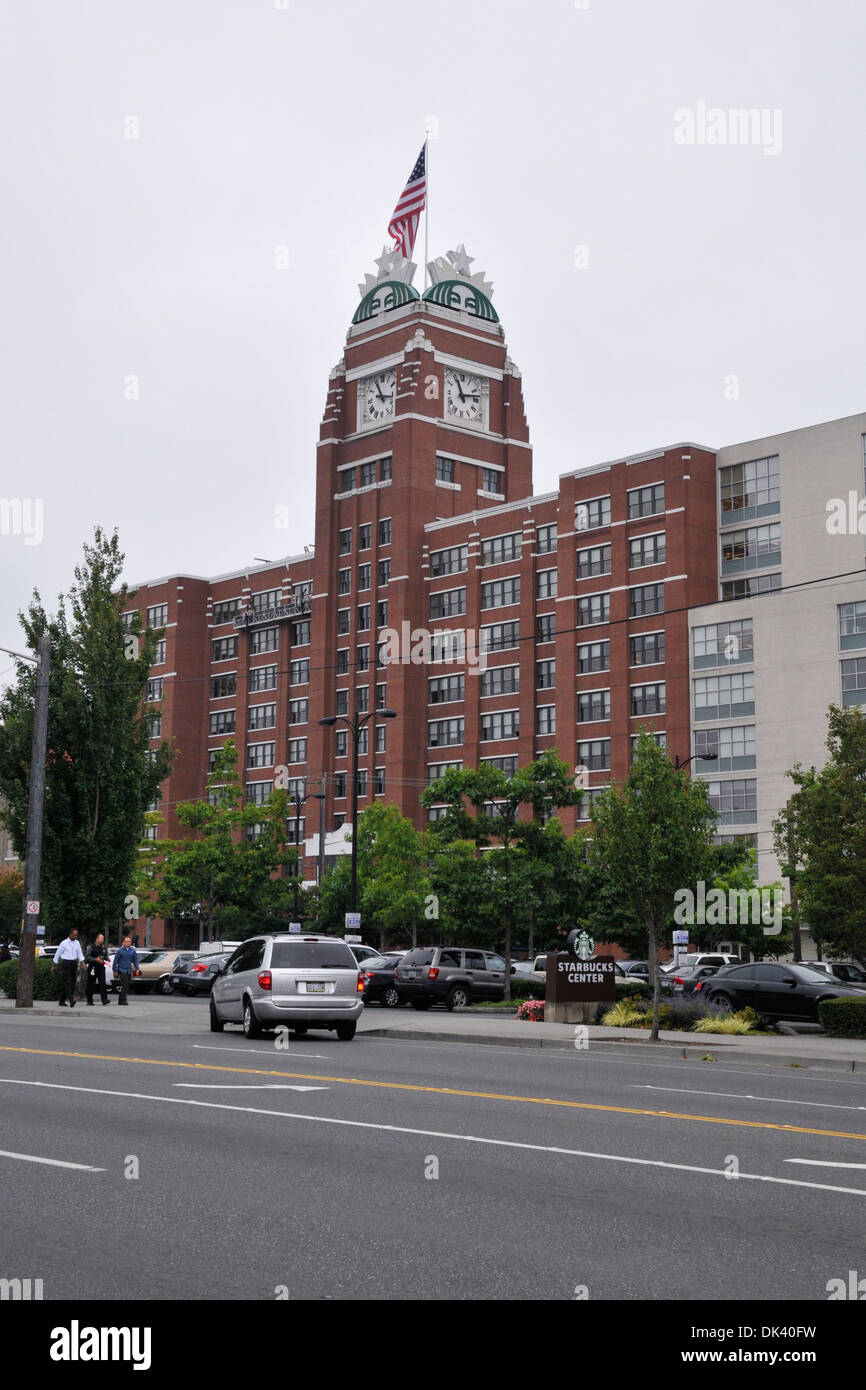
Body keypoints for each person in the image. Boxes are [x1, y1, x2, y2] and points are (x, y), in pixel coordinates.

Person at [51, 928, 85, 1007]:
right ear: (70, 934)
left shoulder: (77, 943)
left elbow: (80, 953)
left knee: (72, 983)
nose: (76, 936)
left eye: (77, 935)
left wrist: (82, 963)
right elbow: (57, 954)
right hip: (66, 963)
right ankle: (71, 1000)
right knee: (67, 982)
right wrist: (53, 965)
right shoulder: (64, 943)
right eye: (75, 935)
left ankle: (62, 1000)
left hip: (74, 963)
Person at [112, 935, 141, 1005]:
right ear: (123, 943)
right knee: (125, 985)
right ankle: (123, 1000)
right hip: (122, 970)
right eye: (127, 942)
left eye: (129, 942)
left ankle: (120, 999)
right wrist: (115, 970)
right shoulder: (120, 951)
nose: (128, 943)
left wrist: (137, 968)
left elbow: (135, 960)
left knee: (127, 985)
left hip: (129, 970)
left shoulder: (133, 950)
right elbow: (115, 961)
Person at [84, 932, 110, 1006]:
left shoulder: (104, 947)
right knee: (91, 984)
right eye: (101, 938)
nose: (102, 940)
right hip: (93, 968)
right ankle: (89, 1000)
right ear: (97, 939)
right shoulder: (91, 947)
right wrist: (96, 959)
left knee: (103, 984)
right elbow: (88, 957)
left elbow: (105, 955)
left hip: (101, 968)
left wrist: (107, 958)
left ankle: (104, 1000)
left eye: (103, 939)